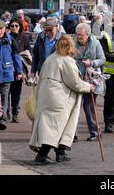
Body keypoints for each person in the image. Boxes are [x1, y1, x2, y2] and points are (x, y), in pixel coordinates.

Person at [29, 35, 95, 164]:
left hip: (46, 96)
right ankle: (42, 155)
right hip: (59, 98)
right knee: (56, 126)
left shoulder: (50, 58)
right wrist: (89, 87)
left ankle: (60, 153)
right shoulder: (66, 61)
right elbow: (74, 82)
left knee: (54, 125)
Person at [0, 19, 23, 130]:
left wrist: (19, 71)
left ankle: (2, 119)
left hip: (6, 73)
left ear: (4, 29)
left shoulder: (10, 40)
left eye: (1, 29)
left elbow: (16, 56)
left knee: (4, 97)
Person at [72, 23, 106, 141]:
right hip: (76, 78)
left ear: (88, 34)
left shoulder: (95, 43)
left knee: (88, 106)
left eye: (81, 35)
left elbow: (102, 59)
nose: (79, 37)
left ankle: (95, 132)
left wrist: (91, 63)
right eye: (78, 35)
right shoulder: (72, 41)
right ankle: (72, 134)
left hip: (91, 79)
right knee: (74, 106)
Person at [8, 18, 31, 123]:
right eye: (12, 26)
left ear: (20, 27)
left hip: (19, 69)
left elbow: (28, 51)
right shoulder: (7, 37)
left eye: (16, 26)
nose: (14, 28)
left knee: (16, 92)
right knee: (6, 92)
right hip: (8, 68)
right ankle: (6, 112)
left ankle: (15, 113)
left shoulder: (24, 37)